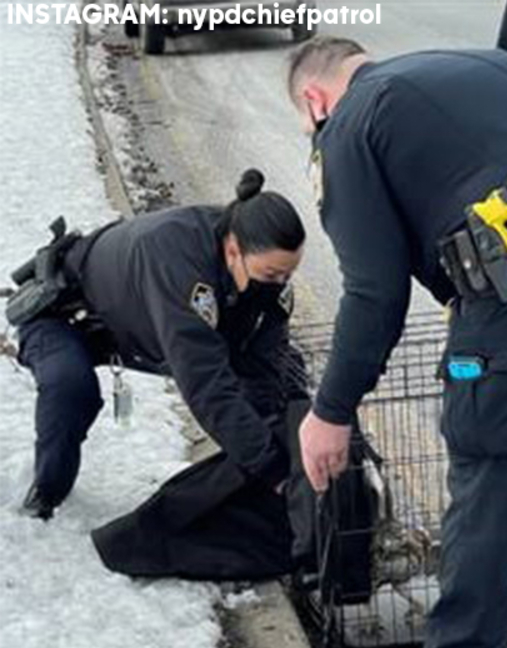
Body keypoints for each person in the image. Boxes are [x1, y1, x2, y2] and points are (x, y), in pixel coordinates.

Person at [286, 36, 507, 648]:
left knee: (486, 473)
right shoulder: (476, 65)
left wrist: (330, 412)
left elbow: (373, 292)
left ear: (314, 102)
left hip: (501, 313)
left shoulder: (348, 126)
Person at [11, 169, 302, 521]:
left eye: (288, 274)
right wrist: (273, 470)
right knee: (70, 386)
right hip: (67, 318)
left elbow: (263, 365)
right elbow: (206, 386)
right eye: (272, 275)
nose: (280, 284)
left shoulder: (258, 267)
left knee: (289, 372)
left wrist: (275, 452)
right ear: (233, 250)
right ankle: (45, 495)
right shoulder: (178, 265)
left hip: (136, 328)